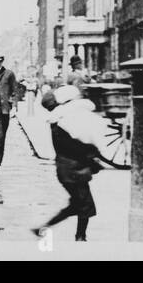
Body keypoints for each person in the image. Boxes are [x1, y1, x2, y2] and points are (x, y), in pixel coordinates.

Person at [34, 85, 111, 242]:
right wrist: (91, 151)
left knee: (78, 204)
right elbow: (73, 146)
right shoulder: (62, 123)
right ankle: (80, 238)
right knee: (85, 205)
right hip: (73, 170)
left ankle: (45, 229)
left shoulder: (59, 121)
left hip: (69, 170)